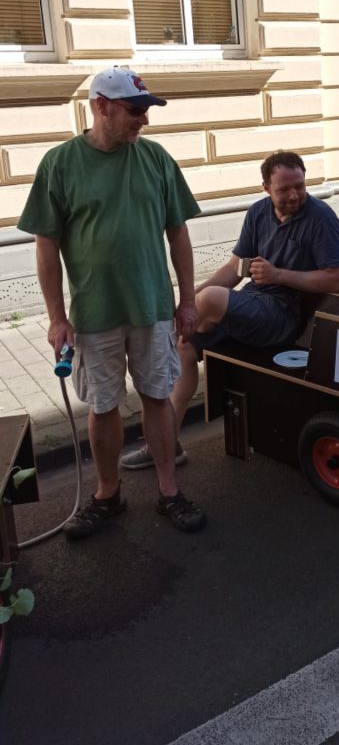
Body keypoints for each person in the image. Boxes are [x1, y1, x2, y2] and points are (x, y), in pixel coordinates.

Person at [18, 67, 206, 539]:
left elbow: (178, 233)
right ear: (101, 105)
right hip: (94, 313)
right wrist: (56, 318)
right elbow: (46, 246)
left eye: (146, 110)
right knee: (102, 406)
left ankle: (169, 491)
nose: (145, 120)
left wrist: (187, 301)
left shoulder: (156, 159)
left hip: (152, 306)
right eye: (135, 110)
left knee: (157, 397)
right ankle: (107, 494)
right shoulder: (60, 164)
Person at [121, 150, 339, 469]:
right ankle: (166, 444)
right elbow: (235, 268)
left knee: (209, 303)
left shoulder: (321, 218)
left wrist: (279, 275)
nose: (294, 195)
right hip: (253, 302)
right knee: (186, 345)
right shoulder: (258, 212)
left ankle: (164, 342)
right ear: (266, 188)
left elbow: (337, 278)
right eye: (284, 189)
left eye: (299, 185)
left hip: (283, 316)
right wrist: (190, 300)